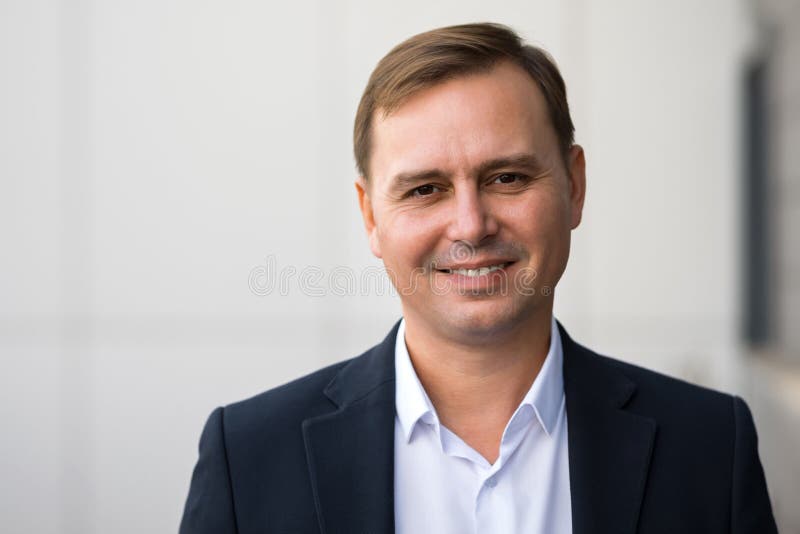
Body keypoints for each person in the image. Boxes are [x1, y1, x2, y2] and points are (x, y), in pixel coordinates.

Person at [179, 22, 777, 534]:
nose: (471, 225)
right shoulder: (249, 457)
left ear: (574, 186)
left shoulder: (709, 447)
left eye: (508, 178)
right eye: (425, 189)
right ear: (370, 217)